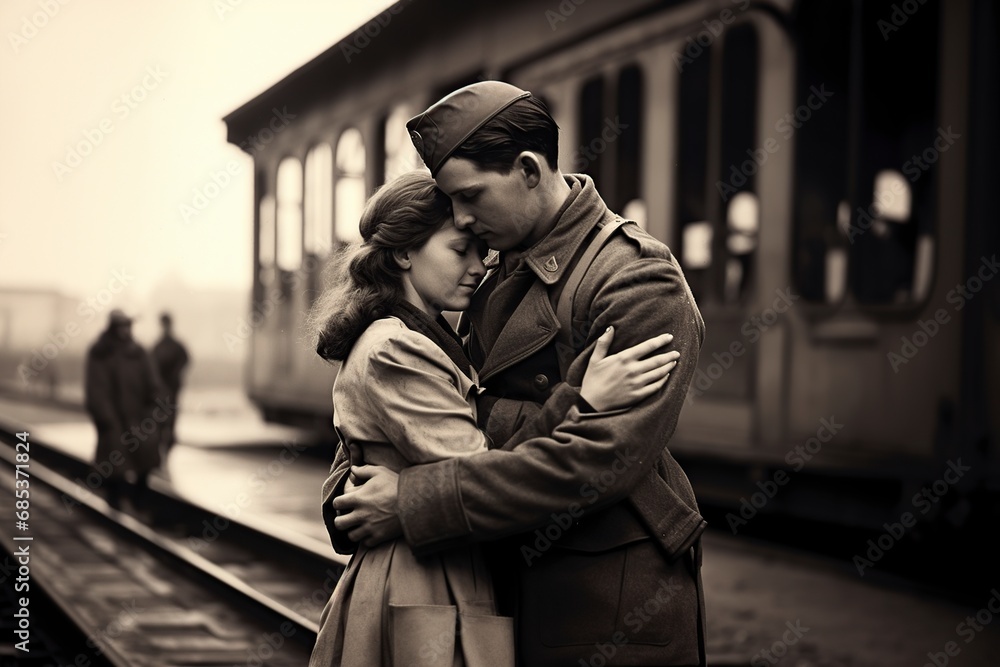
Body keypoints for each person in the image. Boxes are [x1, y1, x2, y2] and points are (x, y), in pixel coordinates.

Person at [330, 81, 708, 667]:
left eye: (471, 196)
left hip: (601, 602)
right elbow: (419, 407)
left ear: (529, 170)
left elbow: (593, 464)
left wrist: (410, 501)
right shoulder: (492, 268)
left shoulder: (635, 279)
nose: (460, 217)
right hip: (498, 584)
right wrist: (351, 491)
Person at [84, 309, 163, 511]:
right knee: (114, 460)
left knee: (146, 454)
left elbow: (153, 385)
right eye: (121, 327)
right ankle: (115, 503)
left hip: (138, 417)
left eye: (127, 326)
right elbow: (96, 389)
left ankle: (139, 501)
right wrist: (106, 418)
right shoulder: (100, 352)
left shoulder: (139, 353)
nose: (125, 331)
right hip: (114, 420)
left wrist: (152, 413)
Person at [152, 311, 189, 463]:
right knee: (160, 418)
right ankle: (162, 444)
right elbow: (152, 367)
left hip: (172, 389)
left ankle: (169, 442)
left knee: (171, 417)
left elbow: (185, 360)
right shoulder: (158, 346)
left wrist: (175, 375)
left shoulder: (176, 346)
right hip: (161, 390)